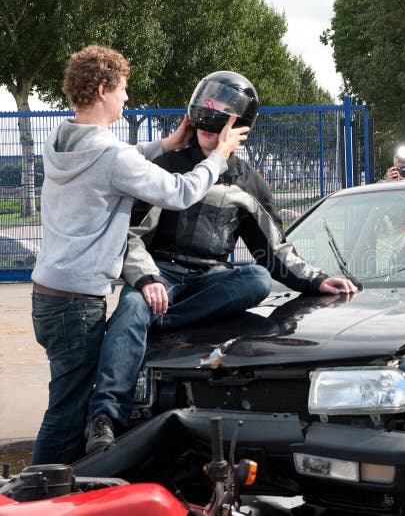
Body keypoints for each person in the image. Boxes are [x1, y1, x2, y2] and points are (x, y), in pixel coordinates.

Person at [84, 71, 358, 455]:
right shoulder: (163, 164)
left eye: (222, 124)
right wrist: (146, 280)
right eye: (207, 122)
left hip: (210, 280)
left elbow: (274, 251)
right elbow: (129, 237)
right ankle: (104, 421)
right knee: (131, 307)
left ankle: (162, 319)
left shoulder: (250, 183)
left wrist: (317, 280)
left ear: (240, 128)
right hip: (159, 273)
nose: (210, 132)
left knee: (257, 279)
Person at [30, 46, 249, 466]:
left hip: (48, 295)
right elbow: (180, 192)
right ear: (102, 90)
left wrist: (167, 144)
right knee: (67, 410)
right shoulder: (111, 156)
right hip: (78, 303)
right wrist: (219, 157)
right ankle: (35, 498)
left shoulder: (60, 139)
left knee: (66, 398)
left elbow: (116, 161)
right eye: (123, 90)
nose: (127, 99)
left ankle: (51, 490)